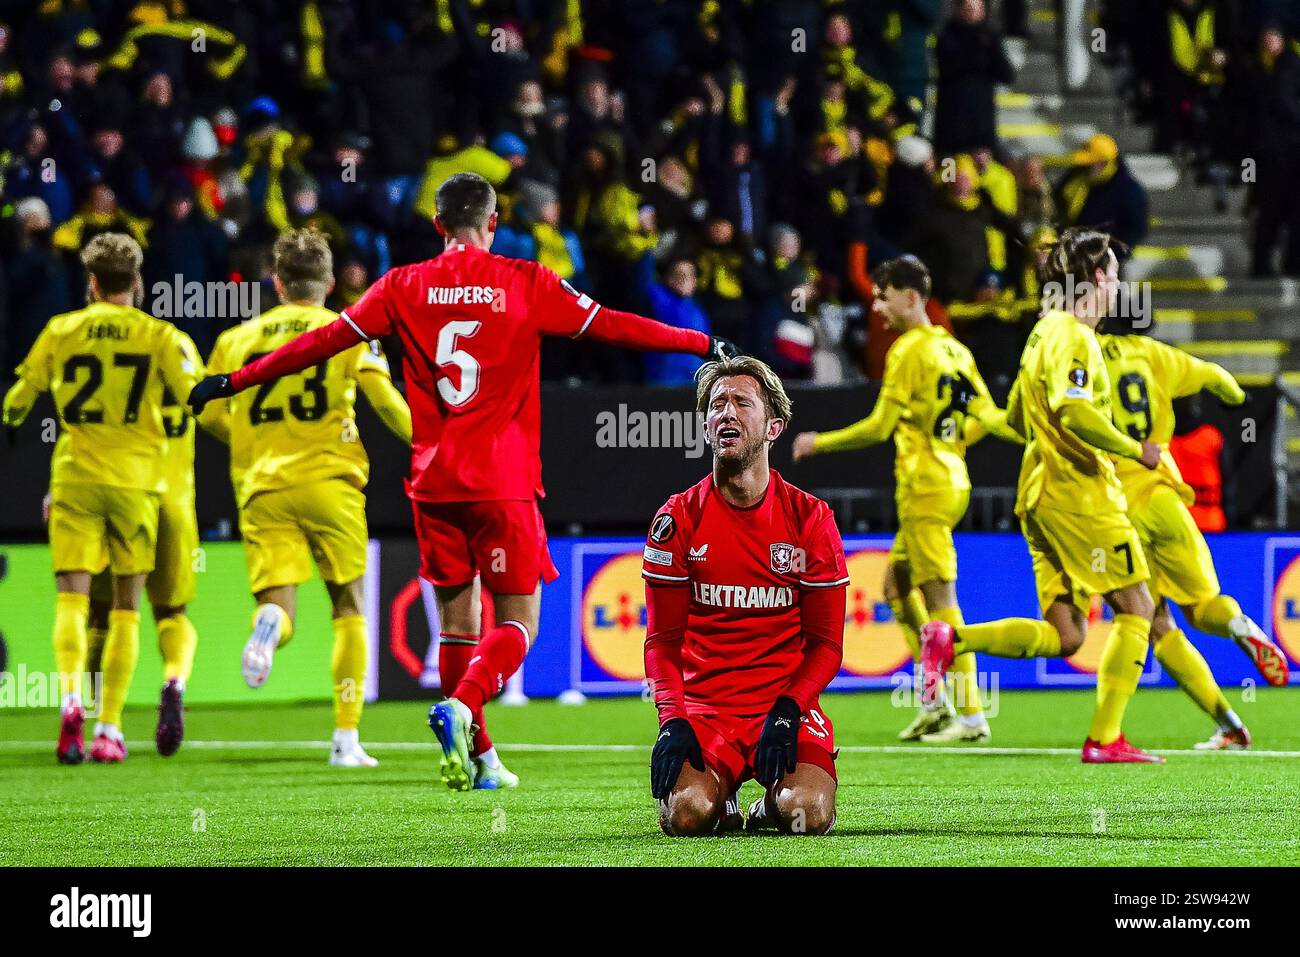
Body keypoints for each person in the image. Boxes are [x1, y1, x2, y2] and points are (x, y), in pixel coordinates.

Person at [188, 173, 737, 791]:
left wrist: (234, 381)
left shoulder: (400, 285)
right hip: (501, 479)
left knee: (457, 621)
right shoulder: (526, 281)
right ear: (494, 223)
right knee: (520, 622)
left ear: (437, 225)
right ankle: (465, 706)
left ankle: (481, 761)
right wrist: (700, 342)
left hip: (432, 483)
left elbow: (321, 341)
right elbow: (613, 325)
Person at [918, 227, 1167, 763]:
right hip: (1078, 492)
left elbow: (1012, 417)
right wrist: (1132, 448)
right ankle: (1105, 739)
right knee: (1139, 607)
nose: (1121, 285)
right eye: (1116, 275)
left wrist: (972, 419)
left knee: (1068, 635)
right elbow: (1075, 411)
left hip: (1036, 495)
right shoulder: (1075, 336)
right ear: (1099, 278)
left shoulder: (1041, 332)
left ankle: (952, 639)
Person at [199, 229, 412, 769]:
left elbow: (207, 410)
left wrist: (251, 440)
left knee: (277, 606)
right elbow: (385, 402)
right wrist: (434, 443)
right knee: (349, 608)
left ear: (276, 282)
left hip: (263, 486)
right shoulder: (348, 330)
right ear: (332, 282)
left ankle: (269, 629)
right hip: (331, 482)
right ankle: (345, 740)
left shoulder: (236, 340)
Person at [791, 255, 1020, 743]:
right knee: (896, 587)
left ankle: (973, 716)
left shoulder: (908, 350)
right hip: (953, 479)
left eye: (882, 295)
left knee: (942, 603)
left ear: (911, 296)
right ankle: (934, 700)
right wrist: (1020, 433)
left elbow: (878, 426)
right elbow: (985, 416)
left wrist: (819, 442)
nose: (876, 305)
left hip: (924, 488)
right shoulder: (954, 350)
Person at [2, 233, 202, 764]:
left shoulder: (61, 330)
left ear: (90, 282)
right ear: (136, 282)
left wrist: (13, 423)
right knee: (125, 610)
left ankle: (70, 699)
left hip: (74, 477)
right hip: (136, 483)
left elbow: (18, 400)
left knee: (70, 599)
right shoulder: (160, 336)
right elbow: (195, 398)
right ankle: (109, 728)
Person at [644, 356, 847, 836]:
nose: (726, 413)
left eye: (741, 402)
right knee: (687, 815)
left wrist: (791, 707)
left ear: (773, 426)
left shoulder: (810, 521)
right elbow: (662, 643)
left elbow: (827, 646)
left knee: (806, 814)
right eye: (716, 405)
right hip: (705, 711)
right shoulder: (677, 520)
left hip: (783, 707)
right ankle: (717, 800)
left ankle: (762, 810)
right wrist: (672, 721)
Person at [1097, 322, 1290, 749]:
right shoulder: (1157, 355)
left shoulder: (1085, 353)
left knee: (1155, 623)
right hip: (1165, 496)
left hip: (1116, 504)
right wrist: (1238, 398)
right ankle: (1240, 630)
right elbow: (1216, 377)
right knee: (1203, 608)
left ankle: (1227, 722)